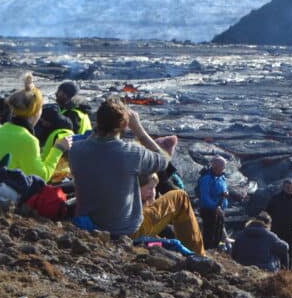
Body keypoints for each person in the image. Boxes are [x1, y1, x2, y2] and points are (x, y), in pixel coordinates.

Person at [70, 98, 203, 254]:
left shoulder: (76, 150)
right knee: (180, 197)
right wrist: (139, 130)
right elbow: (164, 160)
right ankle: (198, 257)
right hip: (125, 230)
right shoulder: (131, 153)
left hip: (88, 224)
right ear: (124, 126)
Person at [0, 75, 72, 181]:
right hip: (6, 194)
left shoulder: (0, 130)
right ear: (35, 111)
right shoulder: (28, 140)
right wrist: (58, 149)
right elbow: (42, 177)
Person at [264, 178, 292, 270]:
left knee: (289, 255)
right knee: (275, 253)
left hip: (291, 233)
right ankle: (275, 273)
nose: (289, 189)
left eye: (291, 187)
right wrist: (265, 227)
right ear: (283, 187)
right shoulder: (275, 198)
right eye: (287, 187)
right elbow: (267, 213)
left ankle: (287, 274)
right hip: (276, 232)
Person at [196, 156, 231, 250]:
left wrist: (225, 193)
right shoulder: (206, 179)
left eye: (224, 166)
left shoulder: (222, 177)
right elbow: (205, 197)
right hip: (209, 211)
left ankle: (216, 250)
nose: (224, 168)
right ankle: (207, 251)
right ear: (215, 166)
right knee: (209, 235)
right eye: (222, 166)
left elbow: (223, 189)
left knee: (218, 234)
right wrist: (215, 207)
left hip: (220, 210)